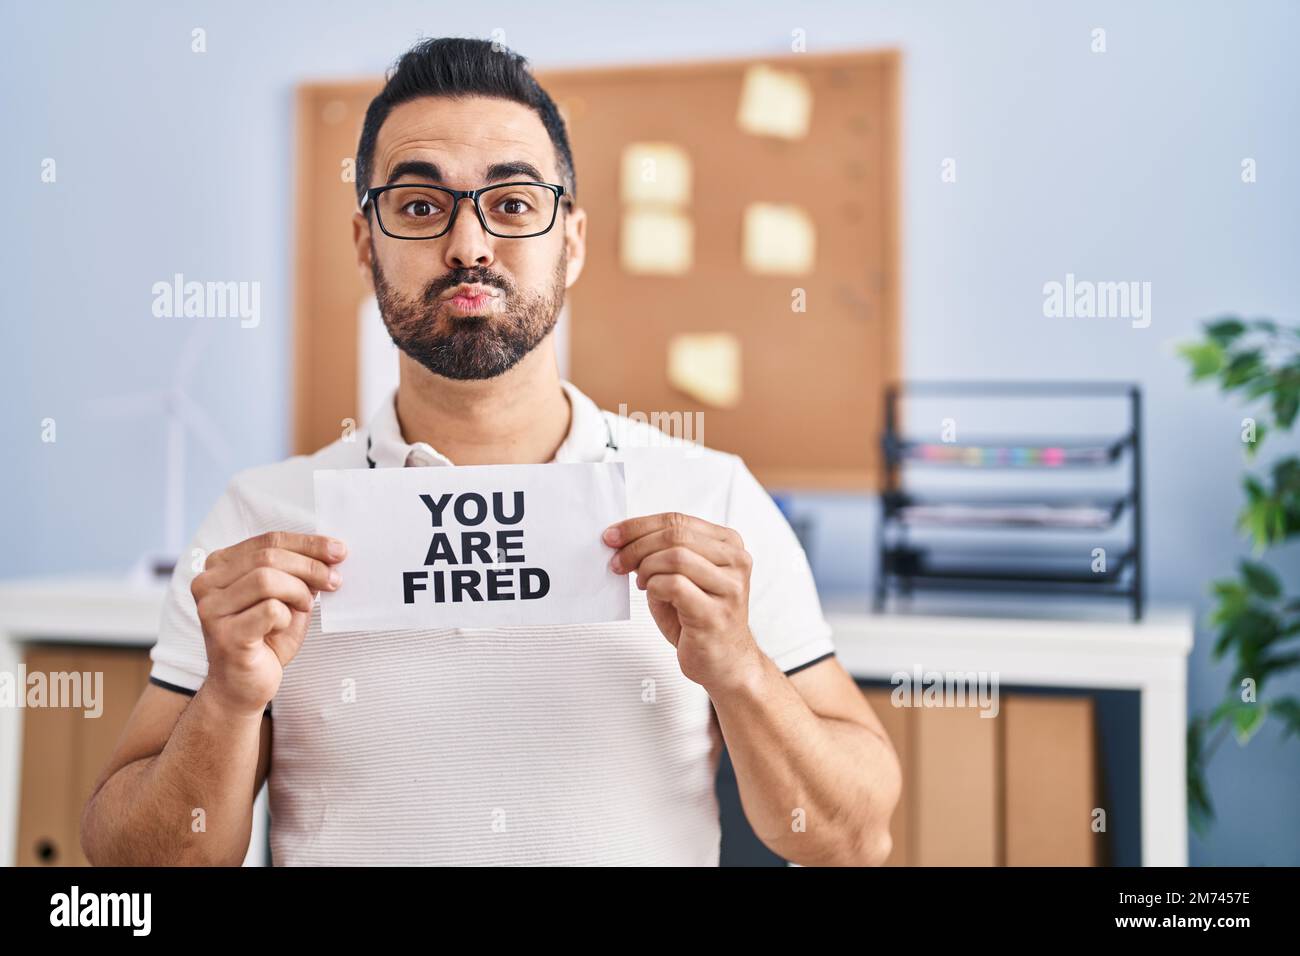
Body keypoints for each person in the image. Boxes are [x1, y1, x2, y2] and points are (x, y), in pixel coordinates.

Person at [81, 37, 900, 866]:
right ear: (365, 242)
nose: (469, 245)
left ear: (571, 242)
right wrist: (226, 698)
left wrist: (742, 672)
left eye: (511, 204)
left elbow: (854, 838)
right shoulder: (260, 523)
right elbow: (132, 869)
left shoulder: (710, 498)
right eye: (419, 205)